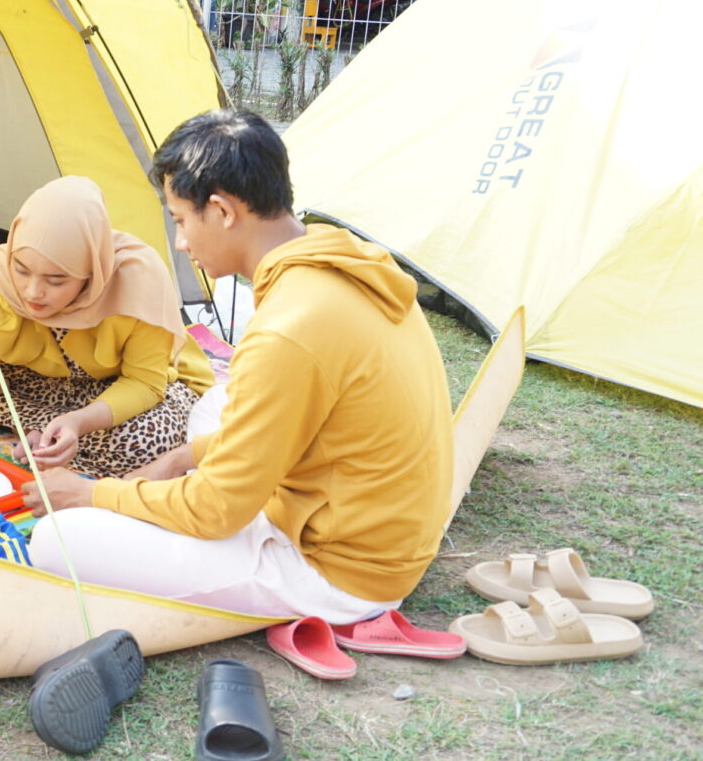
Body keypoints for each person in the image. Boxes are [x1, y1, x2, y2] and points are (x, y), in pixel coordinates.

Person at [23, 110, 453, 623]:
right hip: (379, 526)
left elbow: (216, 511)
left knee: (57, 540)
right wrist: (179, 459)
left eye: (181, 220)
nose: (180, 241)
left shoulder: (287, 331)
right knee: (212, 409)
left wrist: (93, 494)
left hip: (339, 571)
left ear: (223, 211)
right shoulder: (340, 261)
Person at [0, 176, 215, 480]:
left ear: (91, 270)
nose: (32, 292)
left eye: (56, 280)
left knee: (151, 439)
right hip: (21, 381)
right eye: (21, 270)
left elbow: (144, 383)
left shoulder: (138, 283)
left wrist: (78, 423)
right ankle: (39, 430)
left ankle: (42, 430)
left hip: (105, 391)